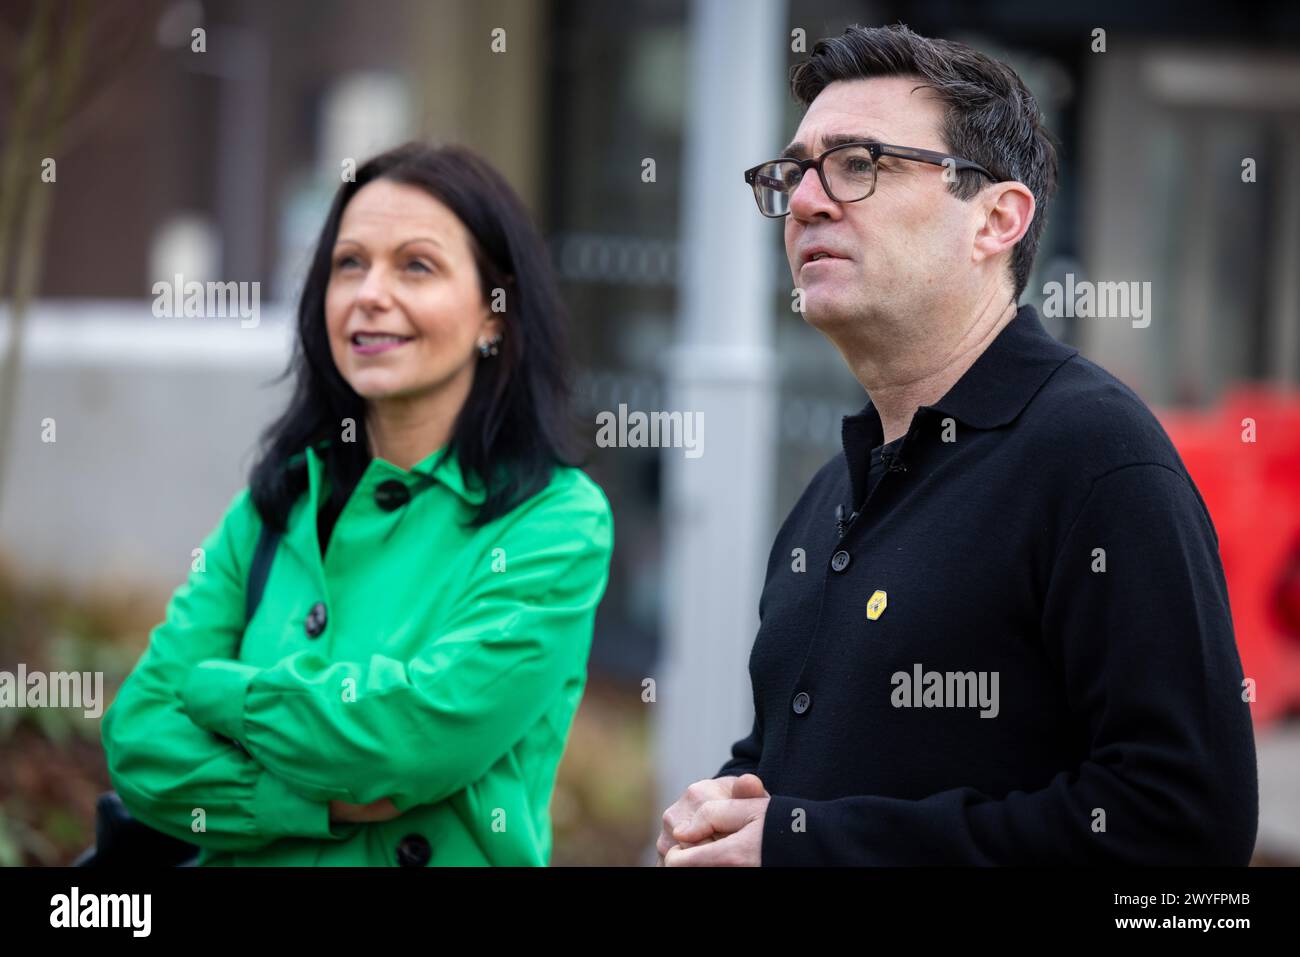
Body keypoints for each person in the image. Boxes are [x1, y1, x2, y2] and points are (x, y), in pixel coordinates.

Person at [658, 23, 1257, 866]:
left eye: (858, 163)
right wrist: (728, 805)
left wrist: (814, 844)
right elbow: (804, 775)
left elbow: (1183, 825)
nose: (804, 201)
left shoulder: (1098, 458)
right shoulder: (833, 491)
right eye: (794, 172)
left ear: (996, 219)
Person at [102, 142, 614, 866]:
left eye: (416, 265)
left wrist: (221, 693)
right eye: (350, 263)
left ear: (494, 313)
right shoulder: (275, 506)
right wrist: (308, 800)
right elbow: (139, 735)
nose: (371, 292)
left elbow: (409, 738)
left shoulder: (554, 521)